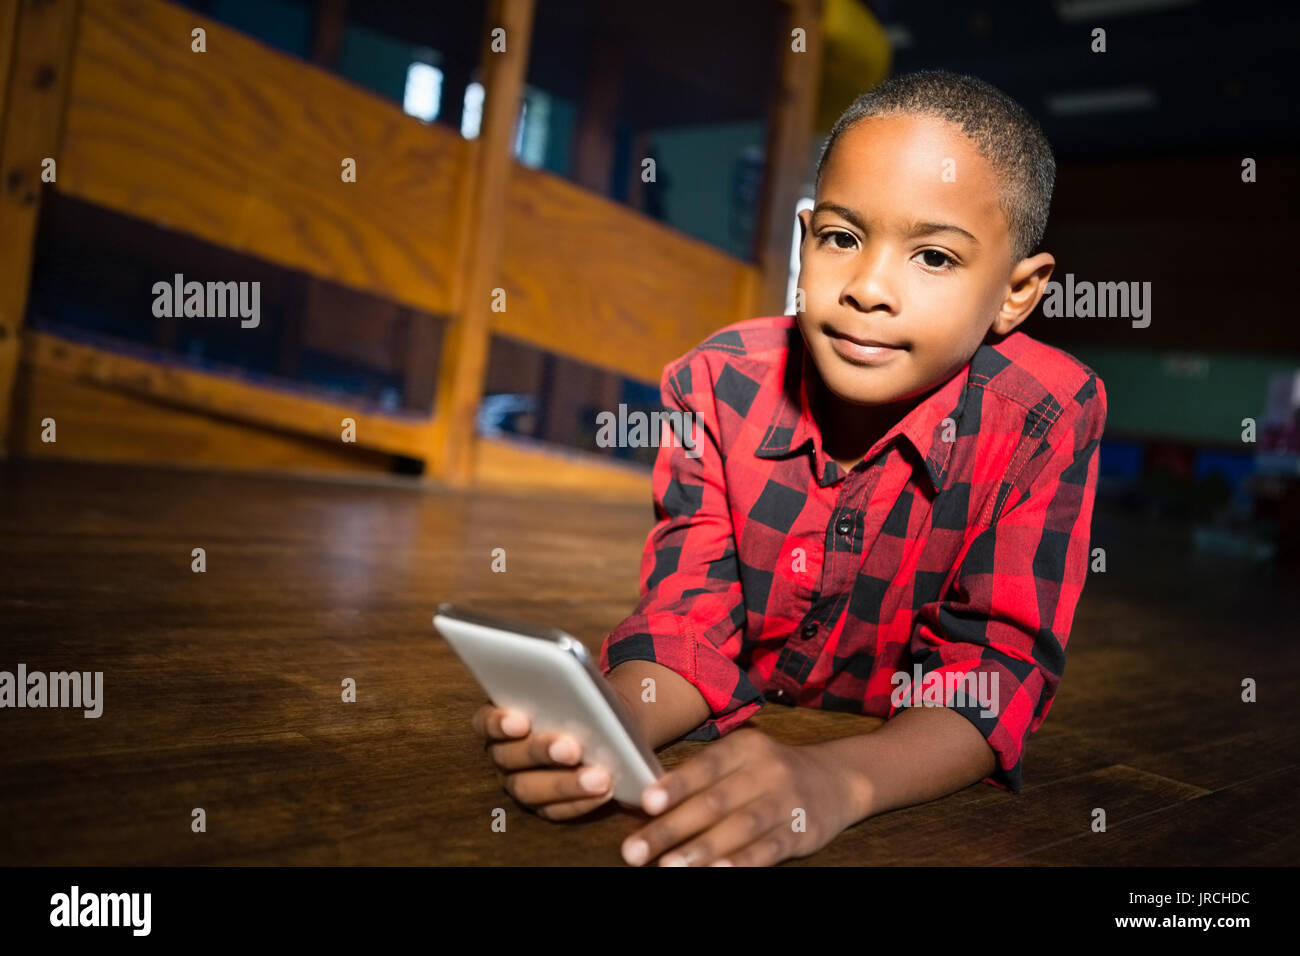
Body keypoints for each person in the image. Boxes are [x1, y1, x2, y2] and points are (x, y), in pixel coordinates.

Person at [472, 69, 1107, 866]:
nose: (868, 289)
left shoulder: (1046, 417)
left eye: (934, 257)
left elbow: (991, 678)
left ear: (1017, 294)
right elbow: (686, 623)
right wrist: (608, 729)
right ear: (807, 240)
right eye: (842, 238)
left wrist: (837, 781)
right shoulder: (717, 382)